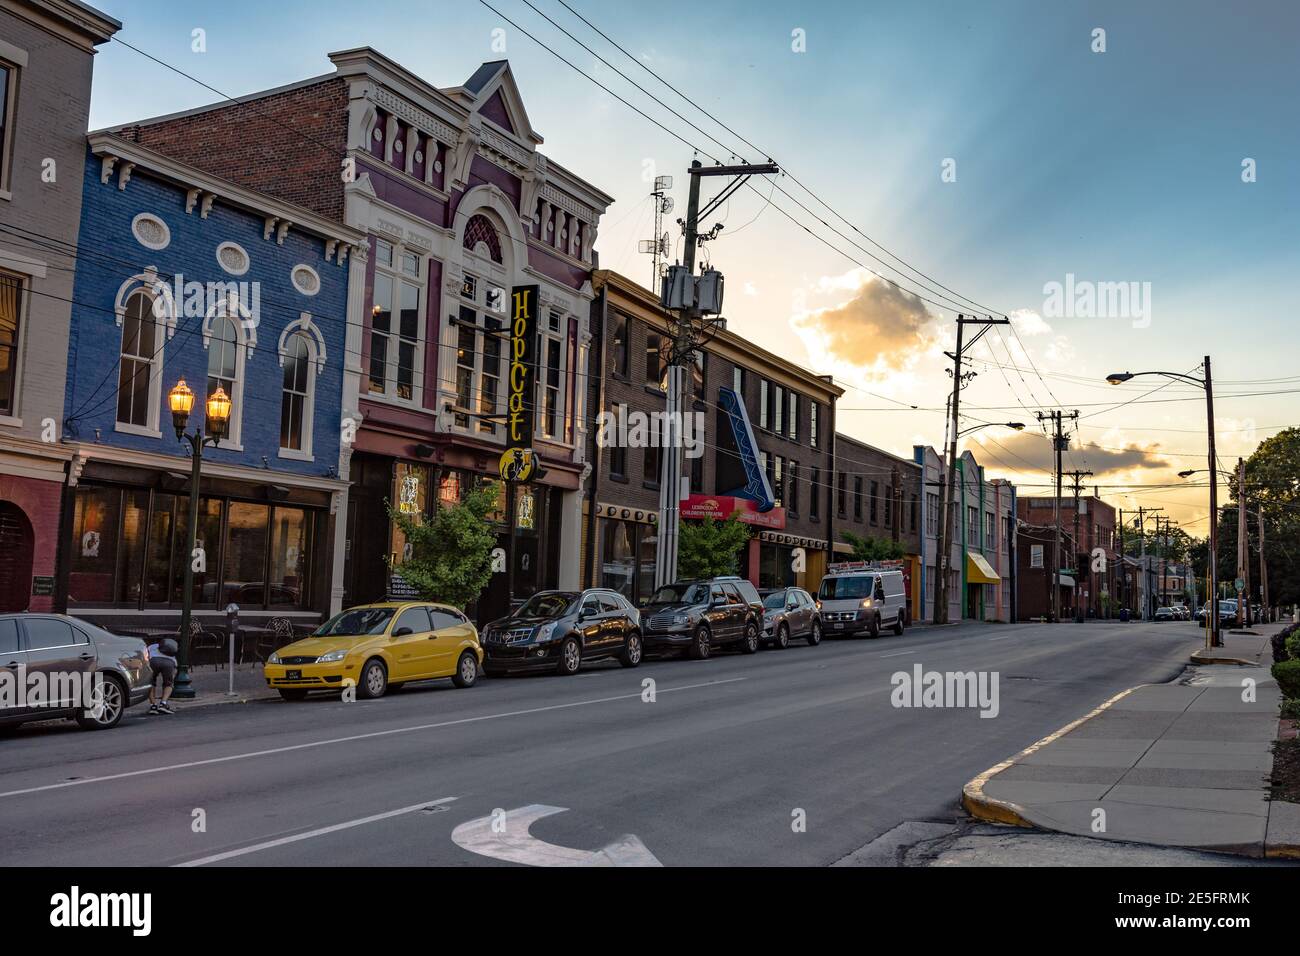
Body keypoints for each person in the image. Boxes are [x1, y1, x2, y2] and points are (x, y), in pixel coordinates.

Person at [145, 638, 179, 715]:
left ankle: (153, 705)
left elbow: (146, 655)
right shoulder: (172, 652)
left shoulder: (152, 646)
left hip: (153, 661)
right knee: (168, 684)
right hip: (169, 663)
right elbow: (175, 666)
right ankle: (163, 704)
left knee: (151, 682)